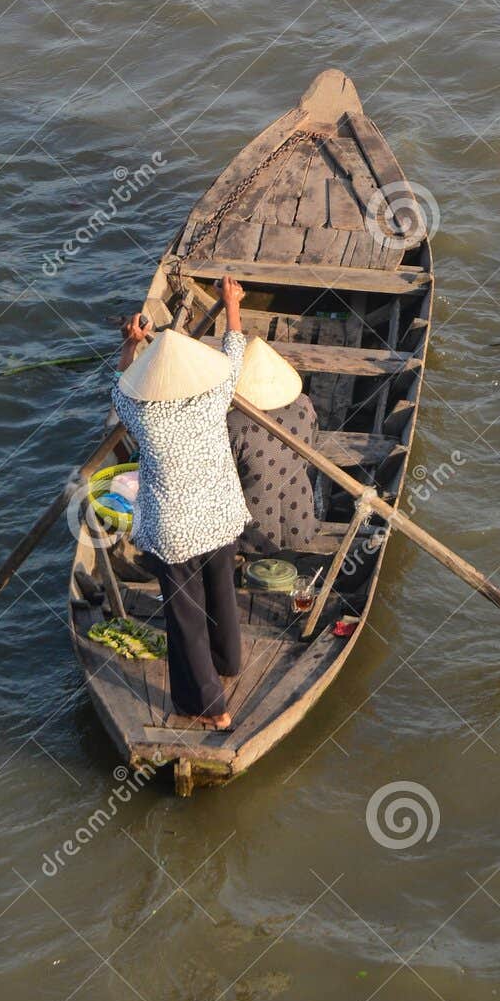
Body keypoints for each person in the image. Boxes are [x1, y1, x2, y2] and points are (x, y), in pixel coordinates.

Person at [111, 277, 248, 731]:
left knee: (186, 617)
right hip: (221, 515)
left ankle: (212, 708)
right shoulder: (214, 395)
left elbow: (120, 386)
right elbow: (234, 351)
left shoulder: (144, 412)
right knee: (220, 591)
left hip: (176, 530)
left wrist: (129, 346)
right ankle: (229, 661)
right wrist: (232, 304)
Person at [227, 336, 319, 558]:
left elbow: (224, 477)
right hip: (301, 518)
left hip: (250, 534)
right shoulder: (304, 404)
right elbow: (313, 444)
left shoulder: (235, 423)